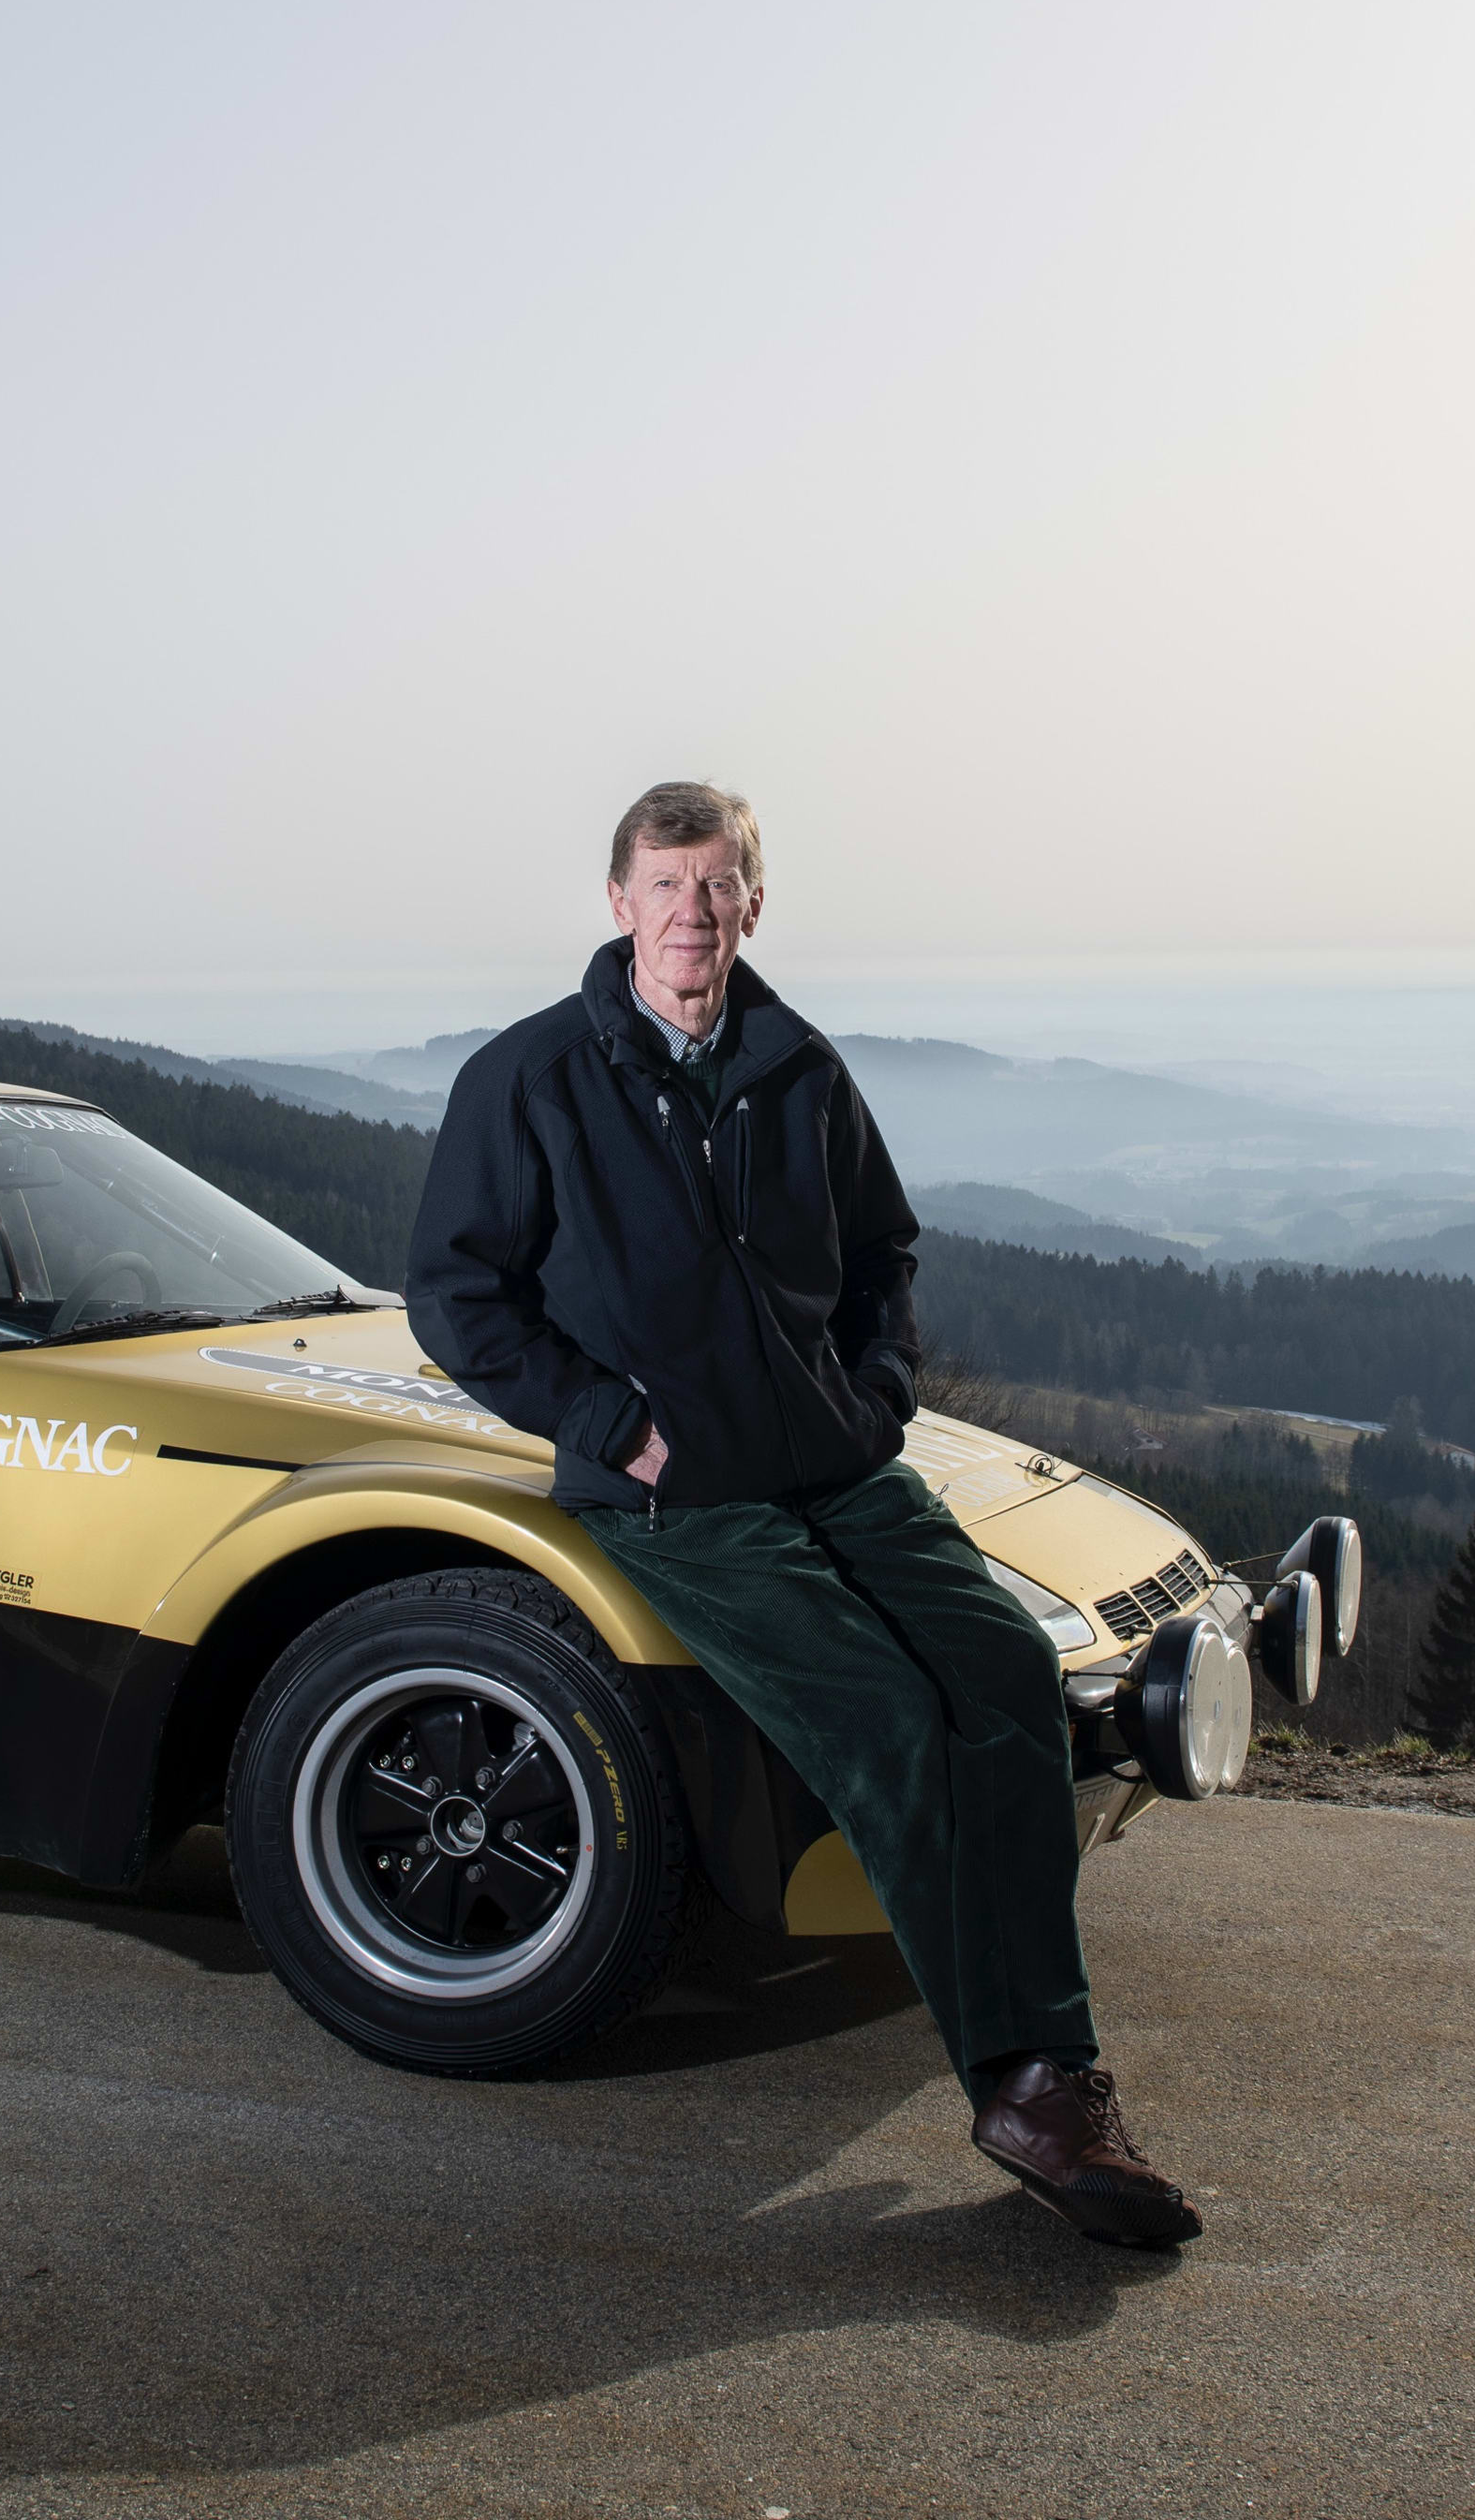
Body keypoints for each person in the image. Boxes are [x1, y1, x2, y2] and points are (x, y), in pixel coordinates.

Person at [406, 778, 1200, 2248]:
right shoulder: (530, 1079)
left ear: (753, 905)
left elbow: (882, 1253)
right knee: (885, 1716)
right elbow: (456, 1295)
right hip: (680, 1497)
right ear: (619, 902)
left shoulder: (799, 1068)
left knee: (1006, 1674)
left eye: (717, 885)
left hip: (839, 1468)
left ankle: (1033, 2047)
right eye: (665, 884)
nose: (691, 912)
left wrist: (875, 1396)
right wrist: (608, 1426)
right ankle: (1034, 2085)